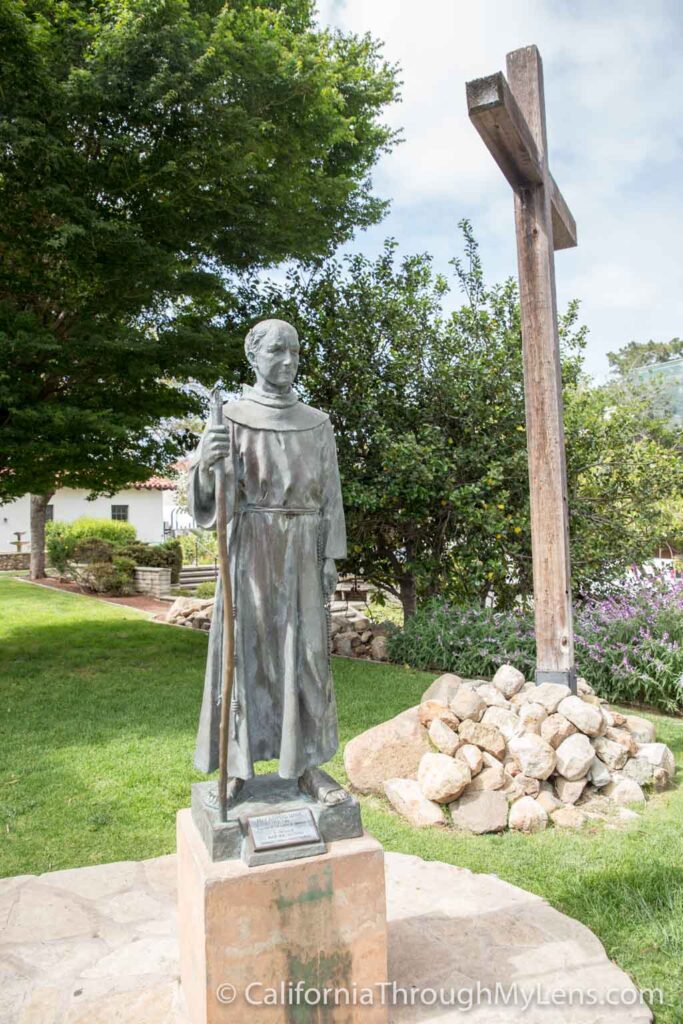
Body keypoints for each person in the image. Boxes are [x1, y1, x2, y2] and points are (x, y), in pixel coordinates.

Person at [189, 318, 348, 806]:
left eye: (295, 353)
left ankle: (309, 768)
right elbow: (210, 506)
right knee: (245, 654)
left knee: (307, 658)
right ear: (253, 356)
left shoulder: (317, 423)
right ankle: (236, 767)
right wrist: (205, 463)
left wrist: (330, 556)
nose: (287, 362)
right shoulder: (231, 418)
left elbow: (331, 498)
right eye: (277, 352)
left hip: (303, 547)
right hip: (251, 547)